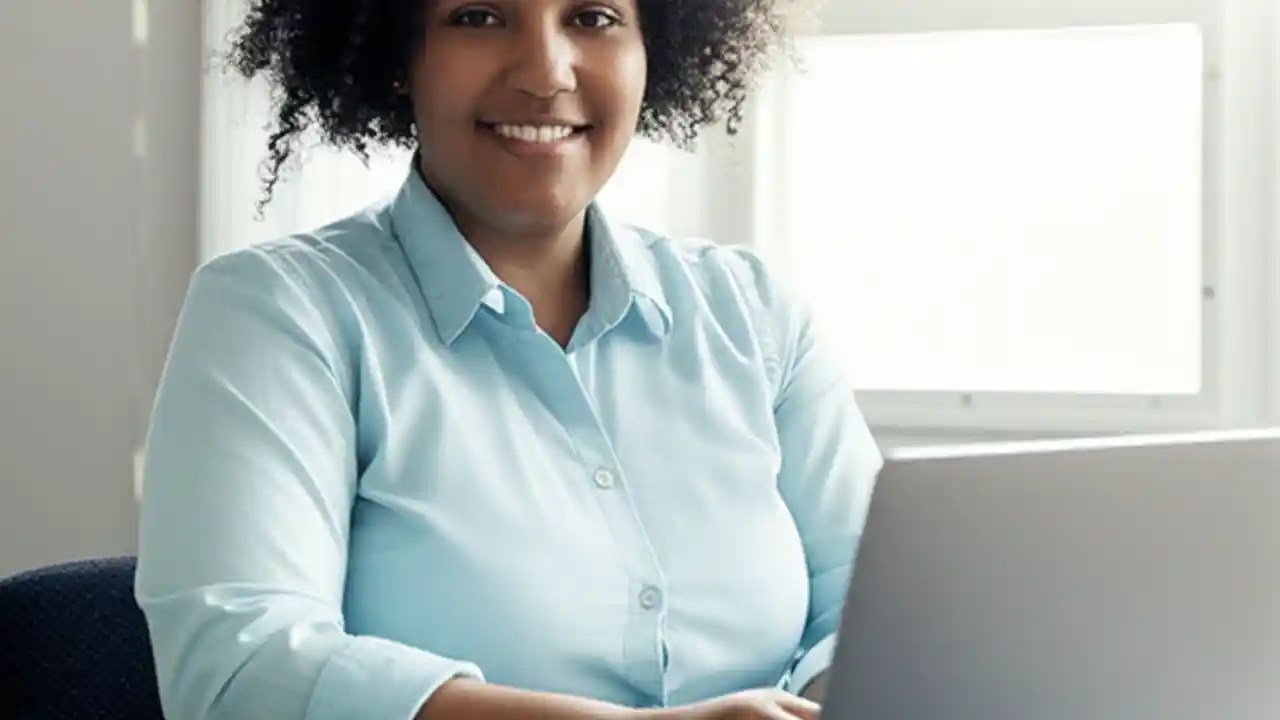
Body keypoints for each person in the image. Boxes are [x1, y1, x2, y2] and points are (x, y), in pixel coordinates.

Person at [134, 1, 882, 718]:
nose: (546, 72)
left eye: (592, 18)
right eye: (478, 17)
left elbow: (878, 605)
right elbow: (240, 675)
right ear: (400, 52)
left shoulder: (753, 313)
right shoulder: (281, 313)